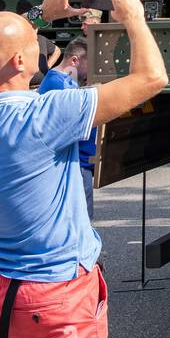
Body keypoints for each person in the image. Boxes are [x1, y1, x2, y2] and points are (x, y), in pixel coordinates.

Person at [0, 0, 168, 338]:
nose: (39, 47)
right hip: (56, 298)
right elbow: (152, 78)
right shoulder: (45, 116)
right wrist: (134, 19)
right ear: (19, 63)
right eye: (33, 44)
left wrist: (38, 15)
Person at [38, 37, 99, 218]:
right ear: (74, 60)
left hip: (78, 162)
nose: (92, 70)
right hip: (74, 163)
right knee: (80, 218)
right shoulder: (60, 84)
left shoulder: (66, 82)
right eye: (90, 64)